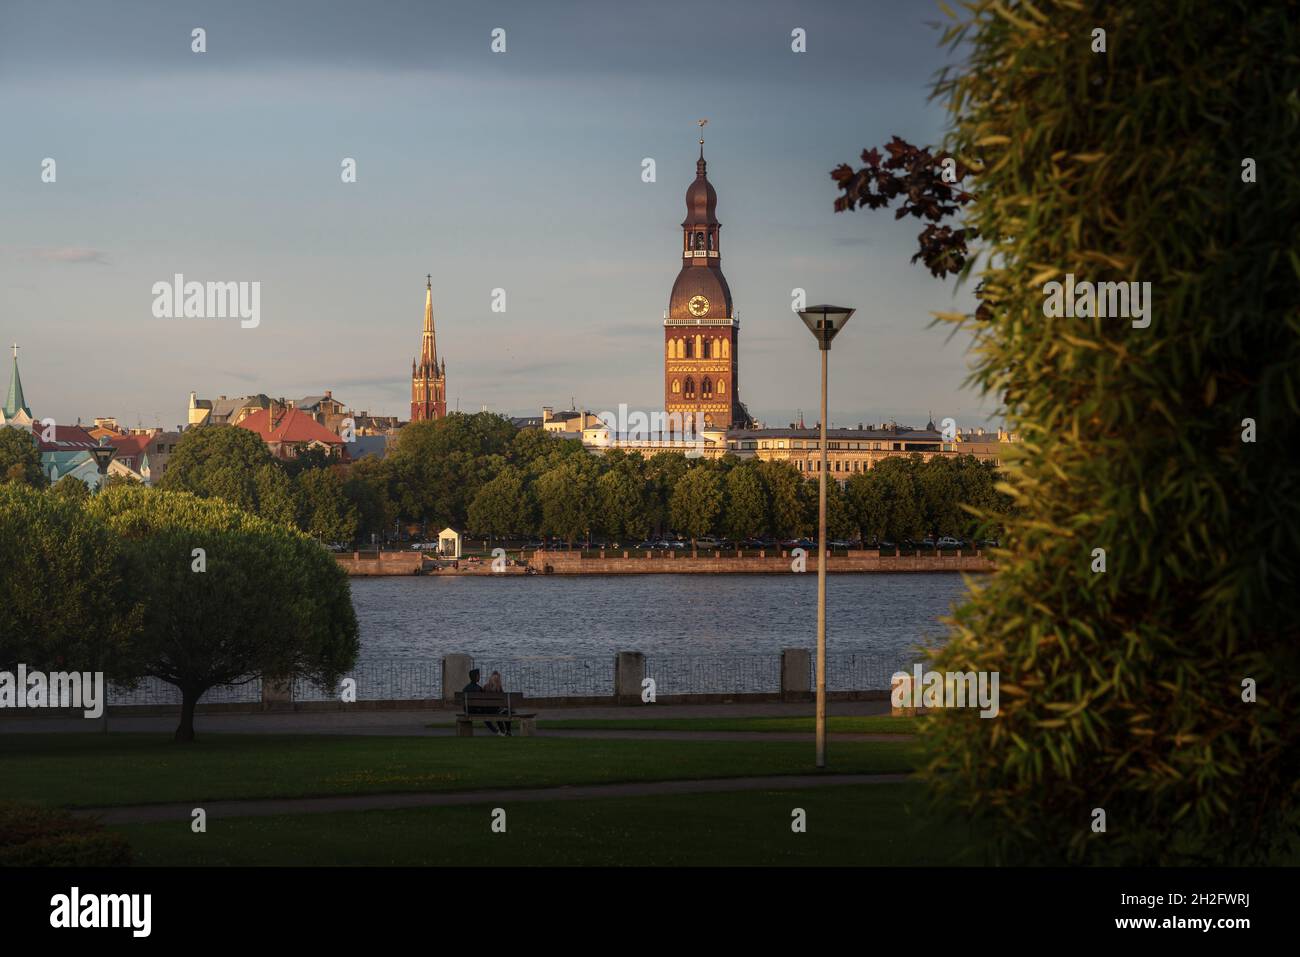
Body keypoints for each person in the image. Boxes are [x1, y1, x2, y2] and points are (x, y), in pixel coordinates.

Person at [484, 671, 511, 736]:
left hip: (487, 710)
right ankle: (508, 731)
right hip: (496, 710)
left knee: (500, 712)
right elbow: (504, 699)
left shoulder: (485, 686)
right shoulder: (499, 688)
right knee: (505, 712)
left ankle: (502, 731)